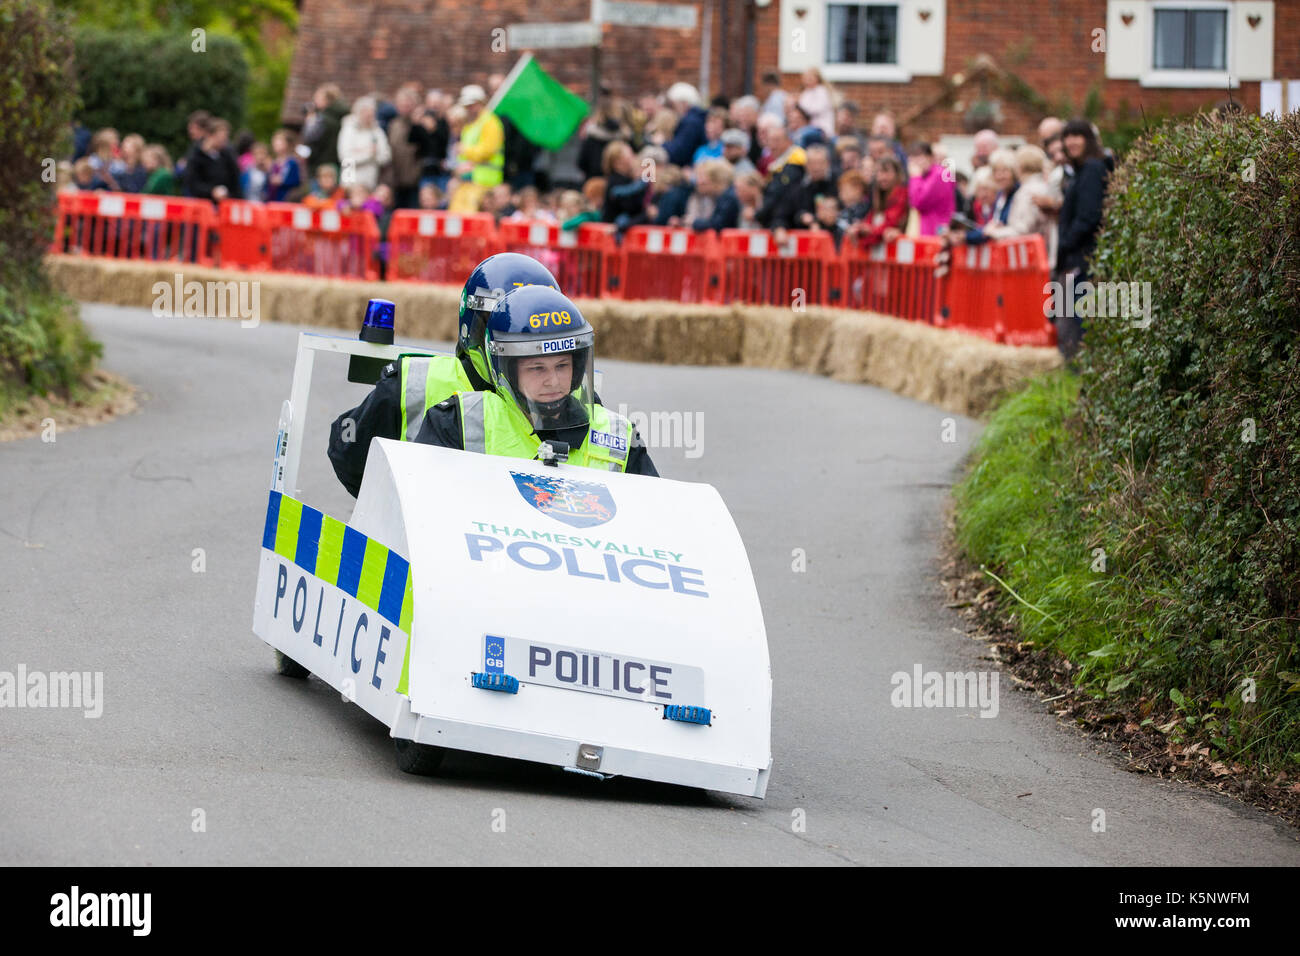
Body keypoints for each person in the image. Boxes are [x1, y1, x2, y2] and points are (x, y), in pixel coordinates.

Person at [328, 254, 563, 497]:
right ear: (472, 326)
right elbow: (349, 456)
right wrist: (397, 510)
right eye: (501, 329)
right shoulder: (412, 383)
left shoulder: (570, 400)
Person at [415, 285, 658, 476]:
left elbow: (649, 516)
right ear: (508, 371)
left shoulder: (620, 435)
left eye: (562, 366)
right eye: (537, 368)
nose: (552, 381)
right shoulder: (458, 422)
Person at [1055, 118, 1110, 358]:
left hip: (1085, 256)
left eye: (1077, 136)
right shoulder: (1080, 171)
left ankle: (1084, 373)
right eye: (1067, 136)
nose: (1071, 141)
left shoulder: (1092, 169)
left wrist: (1066, 242)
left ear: (1088, 140)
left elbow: (1089, 215)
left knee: (1083, 319)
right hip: (1078, 256)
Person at [448, 84, 504, 213]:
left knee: (474, 222)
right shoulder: (470, 125)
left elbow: (488, 150)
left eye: (471, 105)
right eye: (466, 106)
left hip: (485, 183)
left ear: (480, 103)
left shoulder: (491, 123)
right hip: (467, 182)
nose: (468, 109)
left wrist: (465, 150)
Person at [906, 141, 955, 237]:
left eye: (918, 157)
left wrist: (915, 177)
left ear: (930, 157)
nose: (915, 163)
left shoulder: (939, 175)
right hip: (925, 230)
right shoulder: (926, 176)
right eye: (912, 159)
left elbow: (918, 202)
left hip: (933, 232)